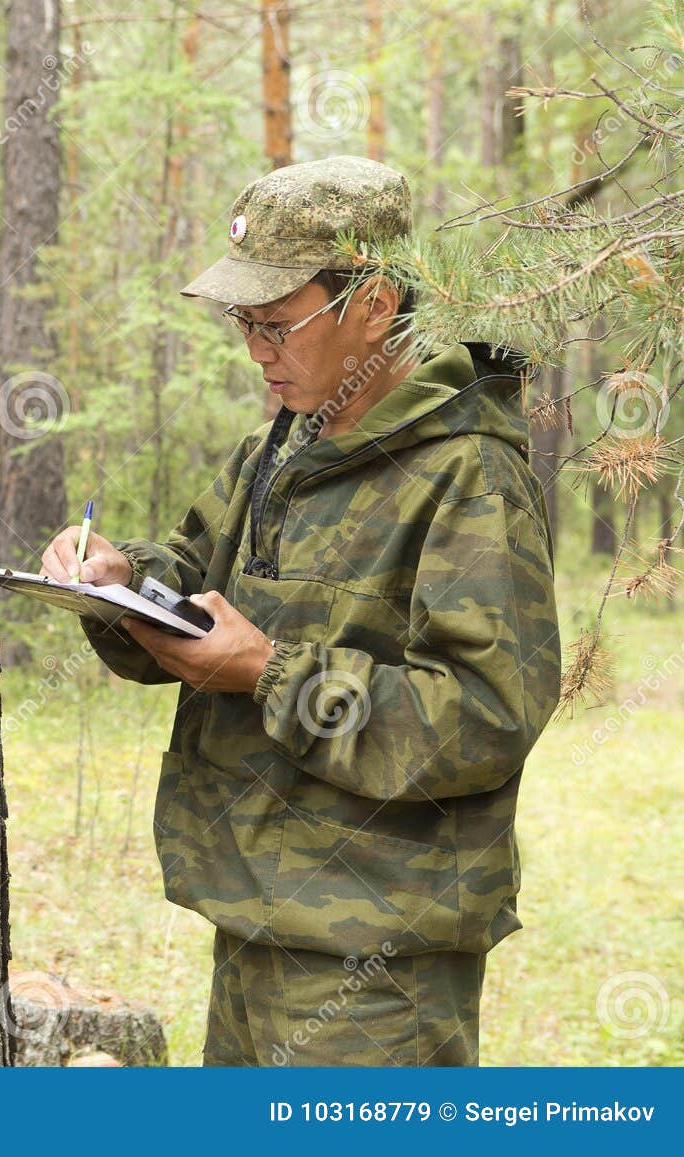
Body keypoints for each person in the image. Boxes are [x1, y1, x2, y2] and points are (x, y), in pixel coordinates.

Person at [39, 156, 561, 1066]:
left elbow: (485, 717)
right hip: (256, 918)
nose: (255, 350)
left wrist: (269, 673)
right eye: (245, 321)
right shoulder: (278, 448)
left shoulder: (469, 475)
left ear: (374, 304)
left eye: (277, 323)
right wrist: (120, 581)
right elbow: (196, 574)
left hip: (378, 964)